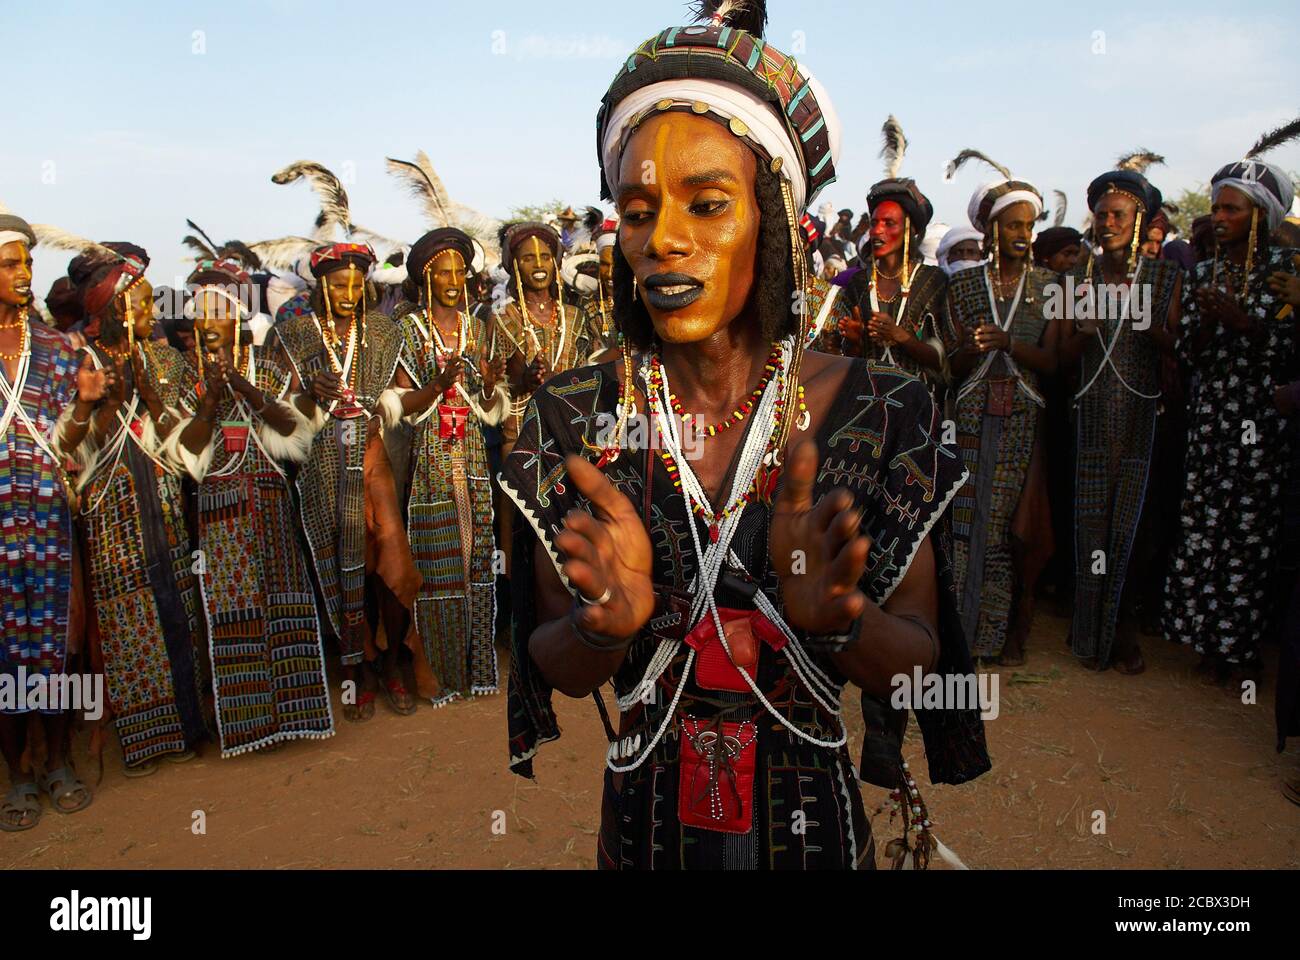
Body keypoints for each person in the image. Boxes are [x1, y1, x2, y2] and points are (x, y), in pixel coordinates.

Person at [502, 0, 987, 870]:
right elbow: (559, 664)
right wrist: (605, 629)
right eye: (639, 210)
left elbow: (918, 664)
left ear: (772, 217)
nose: (665, 242)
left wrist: (837, 620)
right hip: (644, 830)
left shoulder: (880, 412)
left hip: (816, 834)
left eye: (707, 203)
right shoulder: (574, 420)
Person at [163, 259, 334, 756]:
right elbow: (187, 451)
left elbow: (288, 430)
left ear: (236, 324)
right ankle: (248, 723)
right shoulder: (184, 380)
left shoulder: (270, 368)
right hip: (218, 510)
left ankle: (295, 714)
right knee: (231, 611)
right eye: (201, 319)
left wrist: (243, 387)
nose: (209, 327)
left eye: (219, 317)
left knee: (284, 601)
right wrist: (211, 401)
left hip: (271, 503)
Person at [267, 242, 422, 721]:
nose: (349, 293)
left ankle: (394, 659)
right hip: (322, 463)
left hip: (373, 458)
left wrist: (390, 405)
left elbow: (406, 392)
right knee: (340, 562)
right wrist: (310, 395)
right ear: (321, 286)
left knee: (391, 555)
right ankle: (356, 668)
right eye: (339, 285)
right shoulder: (293, 334)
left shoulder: (380, 330)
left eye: (357, 284)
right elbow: (278, 413)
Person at [69, 248, 210, 773]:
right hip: (114, 514)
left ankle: (191, 724)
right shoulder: (77, 365)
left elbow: (193, 438)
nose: (153, 312)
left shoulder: (166, 359)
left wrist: (152, 400)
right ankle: (145, 739)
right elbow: (67, 450)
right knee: (128, 618)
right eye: (144, 302)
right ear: (118, 307)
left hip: (165, 500)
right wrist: (100, 409)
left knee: (179, 606)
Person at [1165, 157, 1299, 681]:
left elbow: (1290, 353)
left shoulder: (1289, 274)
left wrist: (1244, 323)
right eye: (1216, 208)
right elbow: (1190, 352)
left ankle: (1239, 651)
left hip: (1264, 421)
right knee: (1202, 527)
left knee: (1249, 536)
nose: (1218, 217)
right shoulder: (1202, 272)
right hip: (1211, 419)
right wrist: (1206, 327)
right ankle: (1204, 642)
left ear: (1261, 216)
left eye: (1231, 209)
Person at [0, 216, 111, 829]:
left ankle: (59, 763)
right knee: (5, 654)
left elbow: (67, 441)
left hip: (45, 516)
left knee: (55, 649)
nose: (24, 274)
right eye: (11, 264)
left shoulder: (60, 349)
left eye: (27, 264)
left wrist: (88, 405)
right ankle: (17, 775)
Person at [1059, 171, 1182, 673]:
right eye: (1102, 214)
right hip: (1089, 416)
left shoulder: (1164, 277)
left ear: (1138, 223)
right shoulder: (1077, 280)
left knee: (1134, 526)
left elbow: (1177, 345)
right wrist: (1084, 332)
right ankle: (1087, 633)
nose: (1108, 223)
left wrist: (1146, 322)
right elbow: (1062, 355)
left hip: (1140, 418)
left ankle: (1124, 630)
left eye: (1119, 215)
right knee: (1088, 525)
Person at [379, 229, 509, 704]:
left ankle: (474, 668)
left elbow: (490, 403)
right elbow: (397, 403)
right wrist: (436, 386)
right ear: (426, 280)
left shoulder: (478, 328)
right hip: (430, 455)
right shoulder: (408, 330)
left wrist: (492, 387)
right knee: (435, 563)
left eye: (459, 271)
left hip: (472, 453)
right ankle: (432, 667)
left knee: (476, 558)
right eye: (443, 273)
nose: (454, 280)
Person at [944, 177, 1062, 664]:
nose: (1022, 234)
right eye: (1013, 225)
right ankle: (956, 634)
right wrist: (969, 351)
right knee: (964, 522)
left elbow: (1053, 364)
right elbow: (949, 364)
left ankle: (992, 635)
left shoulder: (1049, 286)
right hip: (972, 410)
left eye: (1029, 226)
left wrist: (1009, 343)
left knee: (1002, 528)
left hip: (1019, 414)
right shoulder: (966, 283)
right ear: (991, 229)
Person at [838, 178, 946, 386]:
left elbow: (942, 360)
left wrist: (899, 335)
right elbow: (849, 358)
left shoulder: (932, 280)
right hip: (866, 400)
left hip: (918, 402)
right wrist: (854, 341)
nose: (877, 231)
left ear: (910, 230)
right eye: (874, 223)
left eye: (889, 223)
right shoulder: (858, 283)